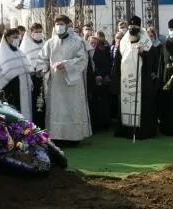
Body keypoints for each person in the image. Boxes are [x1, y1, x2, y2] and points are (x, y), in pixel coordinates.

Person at [41, 15, 91, 144]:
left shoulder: (77, 41)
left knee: (71, 110)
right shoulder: (50, 43)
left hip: (72, 83)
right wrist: (43, 68)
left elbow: (82, 59)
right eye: (57, 24)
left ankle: (73, 138)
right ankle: (56, 137)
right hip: (56, 83)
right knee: (57, 110)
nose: (59, 26)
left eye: (62, 23)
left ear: (68, 24)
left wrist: (66, 64)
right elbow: (43, 59)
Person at [114, 24, 158, 139]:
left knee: (143, 107)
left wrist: (143, 54)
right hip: (126, 82)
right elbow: (117, 63)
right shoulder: (123, 44)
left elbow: (153, 61)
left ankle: (142, 132)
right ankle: (127, 130)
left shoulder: (147, 44)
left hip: (142, 83)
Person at [0, 27, 34, 120]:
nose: (17, 39)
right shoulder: (3, 54)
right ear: (7, 38)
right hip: (13, 92)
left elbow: (26, 69)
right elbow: (1, 77)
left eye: (18, 37)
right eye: (14, 37)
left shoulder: (20, 52)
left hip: (24, 89)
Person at [19, 22, 48, 124]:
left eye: (40, 32)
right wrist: (34, 70)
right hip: (31, 79)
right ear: (31, 32)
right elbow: (24, 62)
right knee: (33, 102)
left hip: (44, 77)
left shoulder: (44, 44)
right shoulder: (25, 45)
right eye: (36, 32)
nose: (38, 34)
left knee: (43, 103)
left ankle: (44, 124)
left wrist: (44, 69)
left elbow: (47, 59)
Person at [85, 33, 112, 130]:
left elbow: (106, 65)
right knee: (91, 103)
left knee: (102, 104)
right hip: (90, 82)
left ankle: (103, 124)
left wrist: (100, 75)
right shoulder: (85, 54)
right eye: (91, 43)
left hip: (101, 82)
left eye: (95, 43)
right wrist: (93, 77)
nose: (93, 44)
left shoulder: (102, 52)